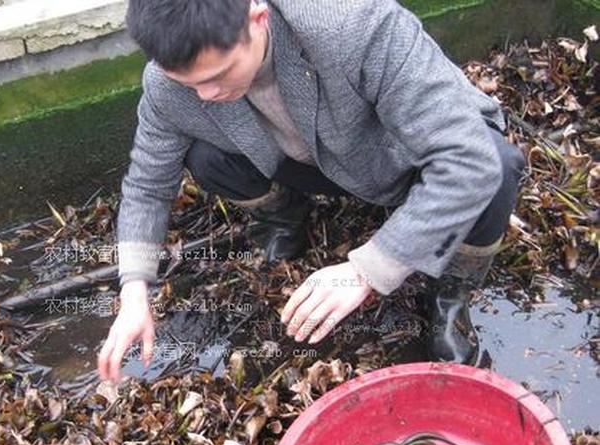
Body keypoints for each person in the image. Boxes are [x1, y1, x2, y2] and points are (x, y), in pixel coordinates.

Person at [97, 0, 525, 383]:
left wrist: (366, 270)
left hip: (398, 157)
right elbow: (147, 184)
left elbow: (467, 159)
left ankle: (450, 293)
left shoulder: (351, 24)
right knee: (206, 156)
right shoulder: (169, 85)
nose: (206, 94)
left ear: (257, 17)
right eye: (190, 84)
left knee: (496, 164)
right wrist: (133, 289)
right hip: (309, 161)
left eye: (218, 74)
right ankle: (284, 217)